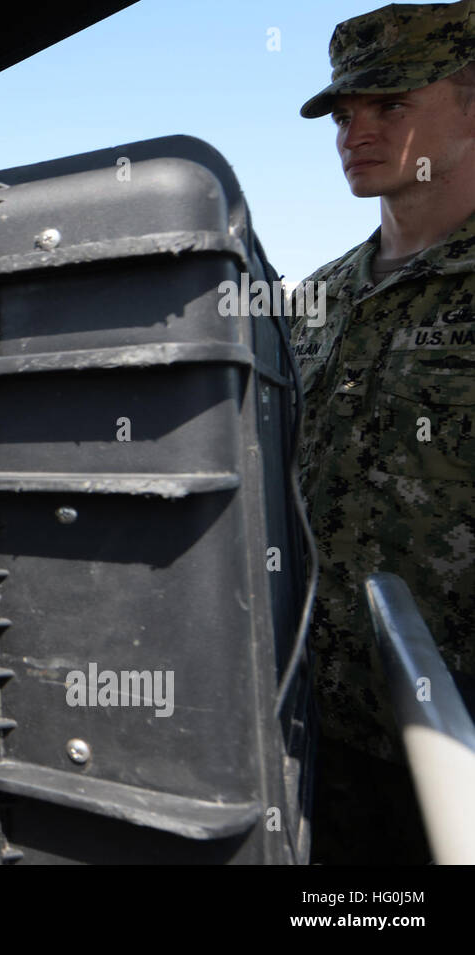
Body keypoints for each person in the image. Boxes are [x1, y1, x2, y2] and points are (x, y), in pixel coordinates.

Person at [293, 0, 475, 863]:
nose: (353, 131)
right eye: (342, 112)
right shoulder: (313, 301)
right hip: (317, 730)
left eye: (390, 105)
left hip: (457, 748)